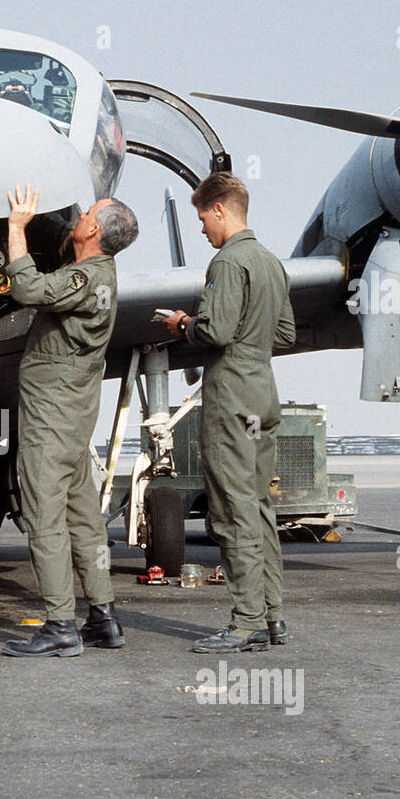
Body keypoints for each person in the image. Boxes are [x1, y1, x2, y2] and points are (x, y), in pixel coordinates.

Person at [0, 185, 139, 658]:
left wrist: (16, 227)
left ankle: (60, 624)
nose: (79, 216)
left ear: (95, 230)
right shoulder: (99, 271)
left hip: (51, 418)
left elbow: (27, 288)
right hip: (74, 420)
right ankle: (103, 617)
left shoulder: (84, 280)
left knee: (45, 519)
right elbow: (68, 239)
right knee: (84, 520)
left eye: (87, 214)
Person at [161, 173, 295, 653]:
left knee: (233, 513)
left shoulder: (228, 261)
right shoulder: (271, 263)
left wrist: (183, 324)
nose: (202, 230)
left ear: (220, 209)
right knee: (258, 508)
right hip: (262, 395)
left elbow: (213, 333)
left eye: (203, 219)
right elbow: (284, 335)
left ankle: (245, 623)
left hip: (232, 399)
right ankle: (273, 616)